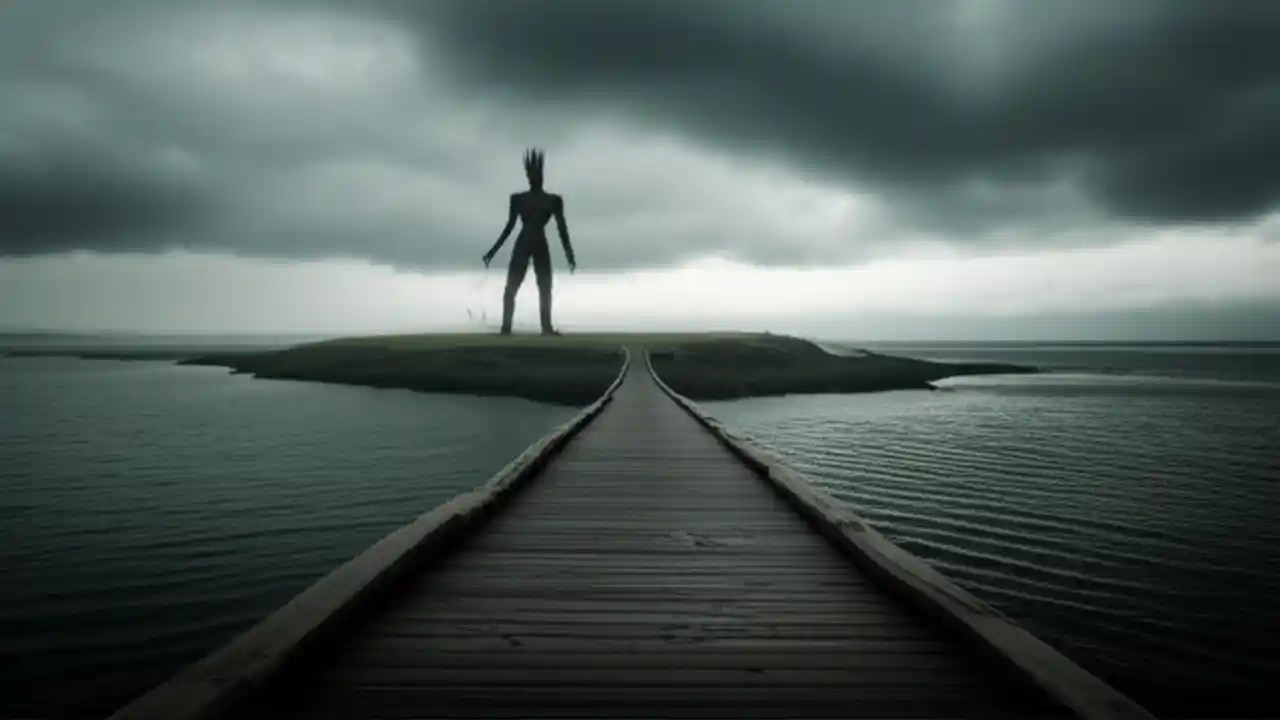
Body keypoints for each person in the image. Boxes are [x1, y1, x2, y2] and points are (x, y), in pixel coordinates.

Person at [482, 148, 576, 335]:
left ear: (541, 173)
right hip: (525, 242)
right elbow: (509, 227)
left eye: (536, 171)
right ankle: (506, 327)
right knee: (512, 286)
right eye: (530, 172)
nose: (533, 176)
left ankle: (546, 327)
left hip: (537, 242)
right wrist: (492, 251)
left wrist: (569, 255)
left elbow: (562, 229)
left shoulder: (553, 200)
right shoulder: (518, 199)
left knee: (545, 287)